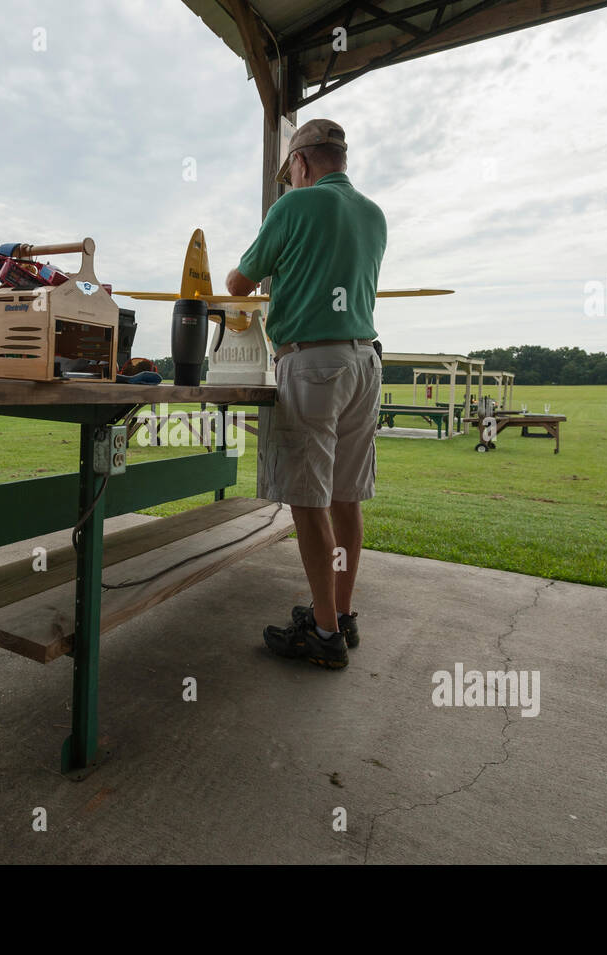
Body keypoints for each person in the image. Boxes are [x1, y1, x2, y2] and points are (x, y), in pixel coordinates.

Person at [225, 118, 386, 670]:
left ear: (300, 163)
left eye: (289, 174)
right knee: (345, 496)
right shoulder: (374, 214)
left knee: (308, 498)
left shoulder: (293, 206)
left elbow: (238, 284)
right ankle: (339, 614)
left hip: (311, 361)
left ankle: (321, 635)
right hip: (364, 361)